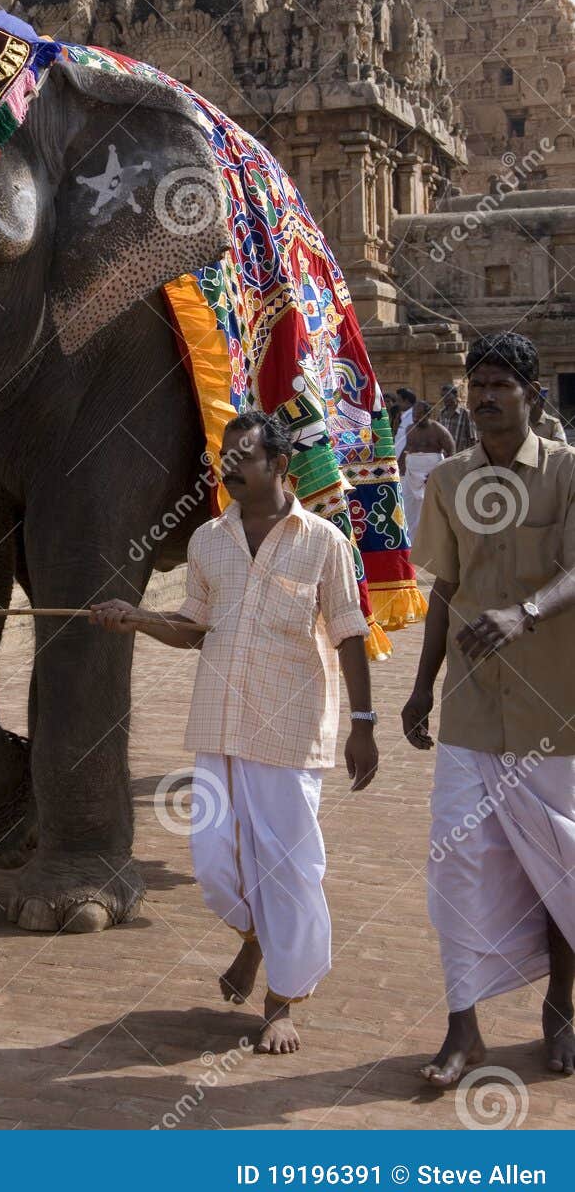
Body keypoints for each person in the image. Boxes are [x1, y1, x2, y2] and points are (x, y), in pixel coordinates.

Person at [90, 409, 378, 1055]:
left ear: (279, 465)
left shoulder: (323, 541)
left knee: (289, 869)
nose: (227, 469)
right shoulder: (206, 542)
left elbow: (349, 632)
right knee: (215, 863)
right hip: (218, 724)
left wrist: (363, 724)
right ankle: (254, 938)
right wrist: (136, 618)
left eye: (241, 457)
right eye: (223, 458)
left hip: (290, 730)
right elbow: (194, 628)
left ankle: (282, 1000)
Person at [402, 331, 575, 1085]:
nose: (484, 396)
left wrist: (523, 612)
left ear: (532, 394)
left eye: (501, 383)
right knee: (457, 863)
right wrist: (416, 686)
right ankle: (461, 1027)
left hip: (554, 706)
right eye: (476, 384)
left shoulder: (567, 473)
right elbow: (443, 587)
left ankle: (562, 1008)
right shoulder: (446, 482)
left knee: (561, 867)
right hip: (470, 707)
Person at [399, 400, 455, 541]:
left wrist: (438, 473)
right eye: (413, 414)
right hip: (411, 474)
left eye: (419, 414)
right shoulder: (409, 429)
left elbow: (451, 452)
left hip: (432, 473)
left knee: (433, 508)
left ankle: (435, 541)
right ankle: (412, 541)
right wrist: (401, 470)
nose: (415, 417)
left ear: (428, 414)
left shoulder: (439, 430)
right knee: (408, 507)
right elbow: (407, 449)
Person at [437, 381, 476, 453]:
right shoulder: (441, 414)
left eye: (447, 396)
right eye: (442, 396)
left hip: (460, 456)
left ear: (455, 395)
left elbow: (472, 439)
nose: (444, 399)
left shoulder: (466, 414)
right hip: (444, 457)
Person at [392, 386, 417, 458]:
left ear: (407, 401)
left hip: (406, 459)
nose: (397, 403)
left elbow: (411, 441)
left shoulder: (413, 417)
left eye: (399, 400)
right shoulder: (402, 416)